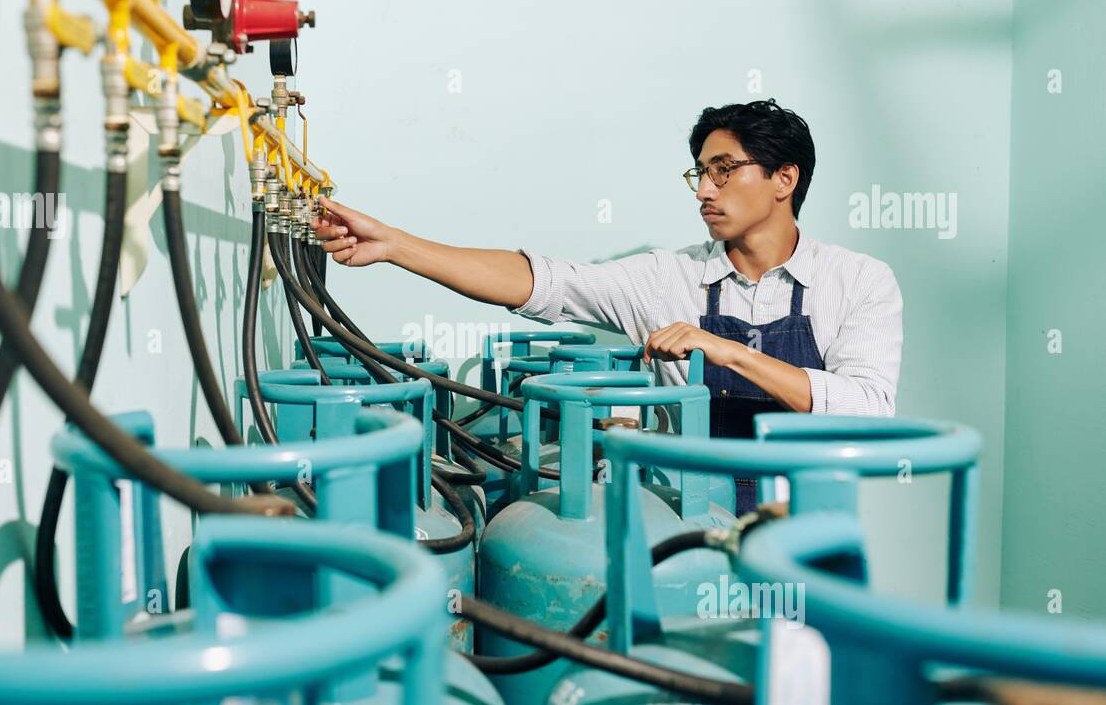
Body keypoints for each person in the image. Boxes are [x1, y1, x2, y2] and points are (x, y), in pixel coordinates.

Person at [311, 98, 903, 513]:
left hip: (812, 534)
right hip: (694, 527)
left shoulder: (858, 281)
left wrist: (729, 353)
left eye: (725, 171)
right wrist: (395, 244)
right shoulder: (670, 277)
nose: (703, 190)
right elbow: (545, 282)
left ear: (785, 179)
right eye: (699, 173)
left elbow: (869, 412)